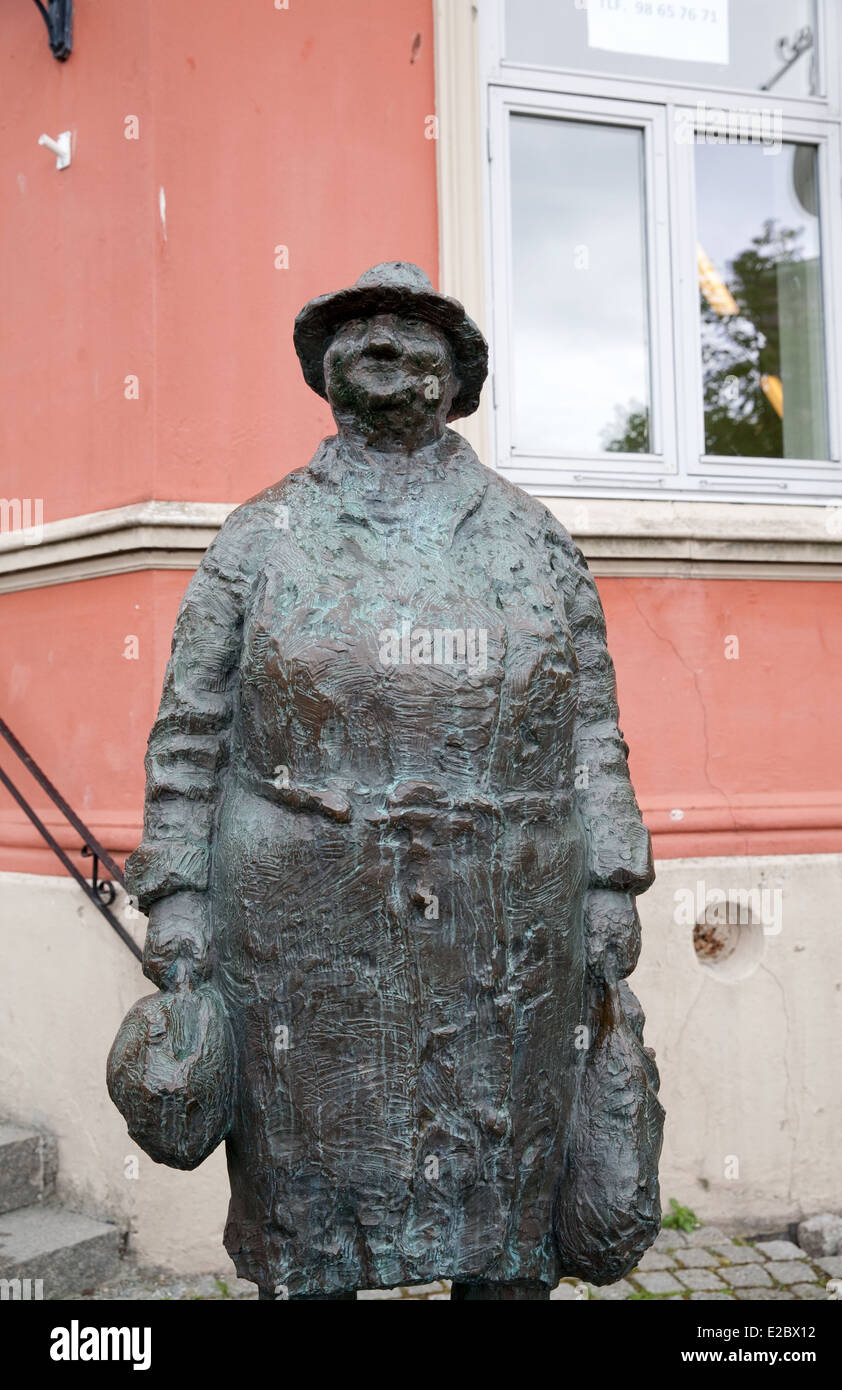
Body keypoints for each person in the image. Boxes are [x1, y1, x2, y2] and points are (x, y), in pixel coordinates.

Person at [122, 262, 660, 1300]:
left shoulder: (533, 539)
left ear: (457, 378)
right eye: (360, 325)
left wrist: (608, 880)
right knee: (305, 1214)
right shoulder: (255, 537)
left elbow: (592, 725)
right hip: (300, 929)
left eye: (417, 330)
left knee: (504, 1216)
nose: (385, 339)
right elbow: (188, 734)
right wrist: (178, 897)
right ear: (323, 368)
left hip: (505, 920)